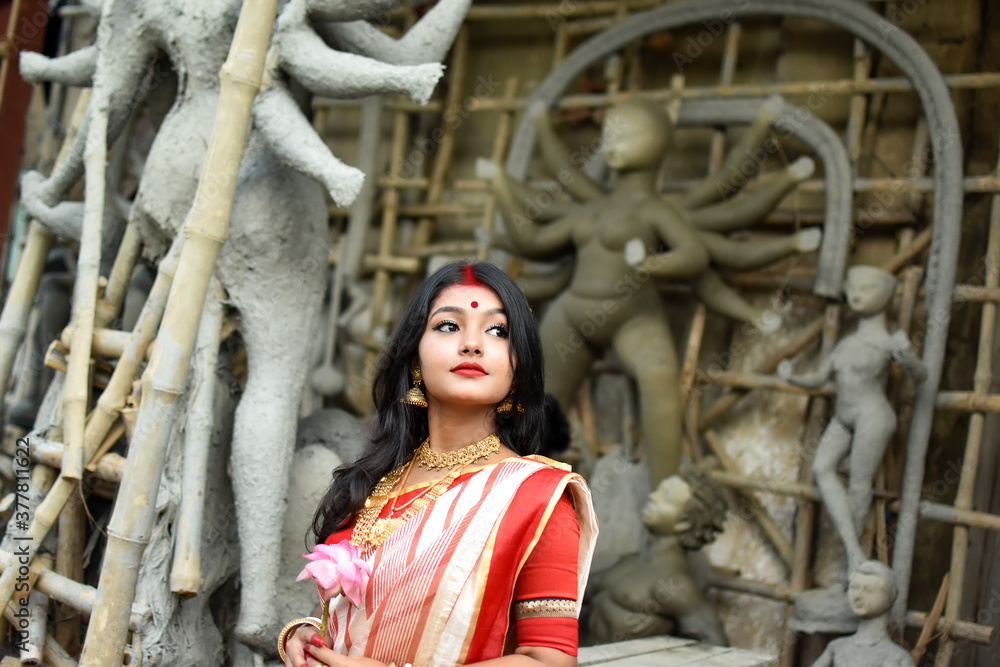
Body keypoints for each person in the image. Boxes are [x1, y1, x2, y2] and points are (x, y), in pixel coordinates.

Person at [279, 261, 598, 667]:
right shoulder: (375, 482)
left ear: (518, 369)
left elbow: (549, 661)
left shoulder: (535, 497)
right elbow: (358, 626)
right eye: (449, 325)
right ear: (414, 360)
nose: (472, 343)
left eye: (497, 330)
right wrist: (306, 635)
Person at [586, 464, 728, 646]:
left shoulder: (676, 585)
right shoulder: (628, 562)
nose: (652, 497)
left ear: (684, 523)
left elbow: (719, 648)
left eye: (666, 498)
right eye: (658, 492)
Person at [810, 560, 912, 667]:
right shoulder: (836, 647)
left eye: (868, 590)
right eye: (854, 587)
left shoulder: (896, 656)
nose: (858, 595)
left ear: (890, 596)